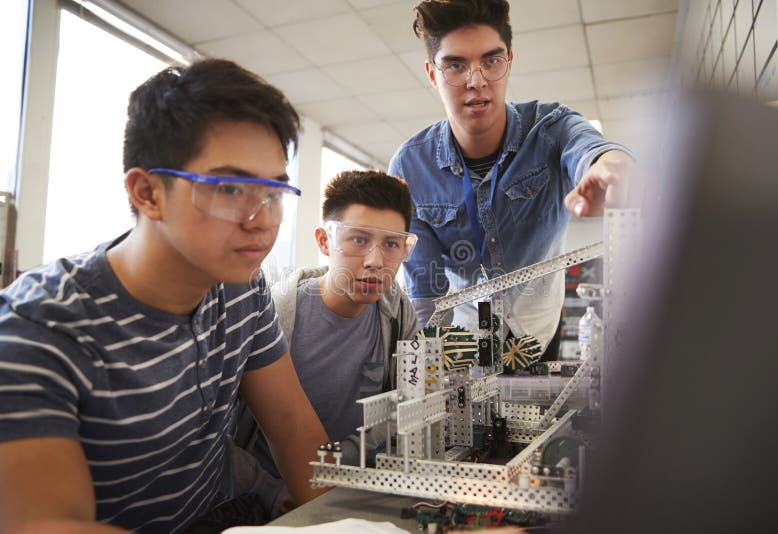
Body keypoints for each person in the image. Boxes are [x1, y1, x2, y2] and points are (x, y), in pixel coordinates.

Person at [0, 59, 329, 533]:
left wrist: (344, 523)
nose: (261, 220)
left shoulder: (241, 285)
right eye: (230, 188)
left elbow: (291, 421)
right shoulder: (39, 330)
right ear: (147, 192)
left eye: (274, 192)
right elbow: (48, 524)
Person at [389, 0, 638, 358]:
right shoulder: (411, 166)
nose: (476, 81)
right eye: (456, 66)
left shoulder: (550, 129)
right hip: (464, 339)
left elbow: (590, 148)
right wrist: (431, 362)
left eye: (491, 61)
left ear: (509, 61)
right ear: (432, 73)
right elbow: (426, 293)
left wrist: (611, 164)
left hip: (539, 330)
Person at [235, 169, 419, 516]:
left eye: (392, 244)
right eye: (359, 240)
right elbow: (221, 435)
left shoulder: (397, 315)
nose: (375, 261)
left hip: (354, 492)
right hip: (269, 502)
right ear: (324, 241)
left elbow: (405, 407)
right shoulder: (274, 316)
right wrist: (270, 491)